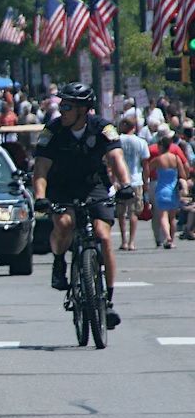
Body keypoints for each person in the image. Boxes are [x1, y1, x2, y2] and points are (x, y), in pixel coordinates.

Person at [32, 82, 133, 331]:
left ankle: (107, 301)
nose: (61, 110)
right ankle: (58, 262)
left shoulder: (103, 129)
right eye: (61, 105)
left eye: (66, 106)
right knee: (64, 223)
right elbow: (41, 168)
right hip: (62, 186)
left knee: (104, 237)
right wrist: (40, 196)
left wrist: (126, 185)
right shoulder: (53, 130)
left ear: (83, 109)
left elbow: (116, 158)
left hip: (93, 185)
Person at [115, 118, 150, 251]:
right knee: (133, 213)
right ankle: (131, 241)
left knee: (121, 212)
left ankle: (124, 240)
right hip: (136, 180)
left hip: (121, 180)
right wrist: (146, 181)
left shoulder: (118, 140)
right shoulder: (141, 142)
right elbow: (145, 164)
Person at [150, 134, 188, 249]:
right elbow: (183, 173)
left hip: (161, 189)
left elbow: (147, 169)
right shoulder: (176, 158)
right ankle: (172, 240)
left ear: (161, 147)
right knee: (172, 218)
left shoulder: (158, 159)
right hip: (173, 190)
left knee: (162, 216)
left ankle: (167, 237)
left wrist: (147, 181)